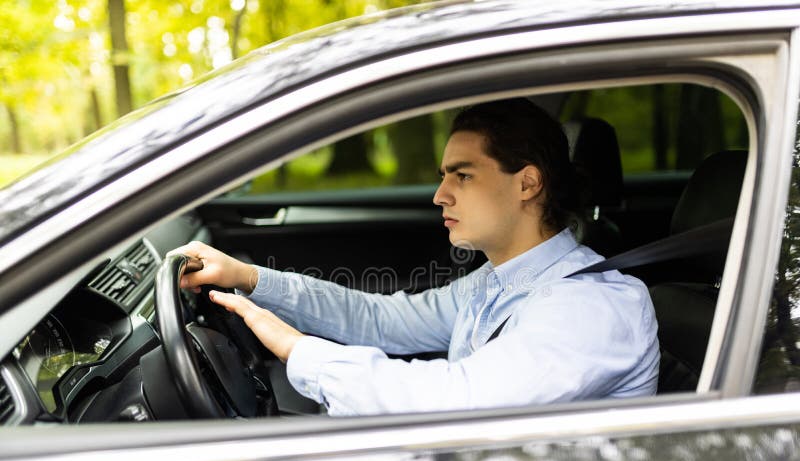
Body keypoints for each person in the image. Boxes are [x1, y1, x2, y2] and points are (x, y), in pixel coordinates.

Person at [170, 98, 660, 416]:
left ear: (527, 184)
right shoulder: (502, 280)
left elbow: (459, 399)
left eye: (462, 176)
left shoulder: (590, 308)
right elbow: (381, 319)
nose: (440, 195)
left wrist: (298, 350)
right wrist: (251, 278)